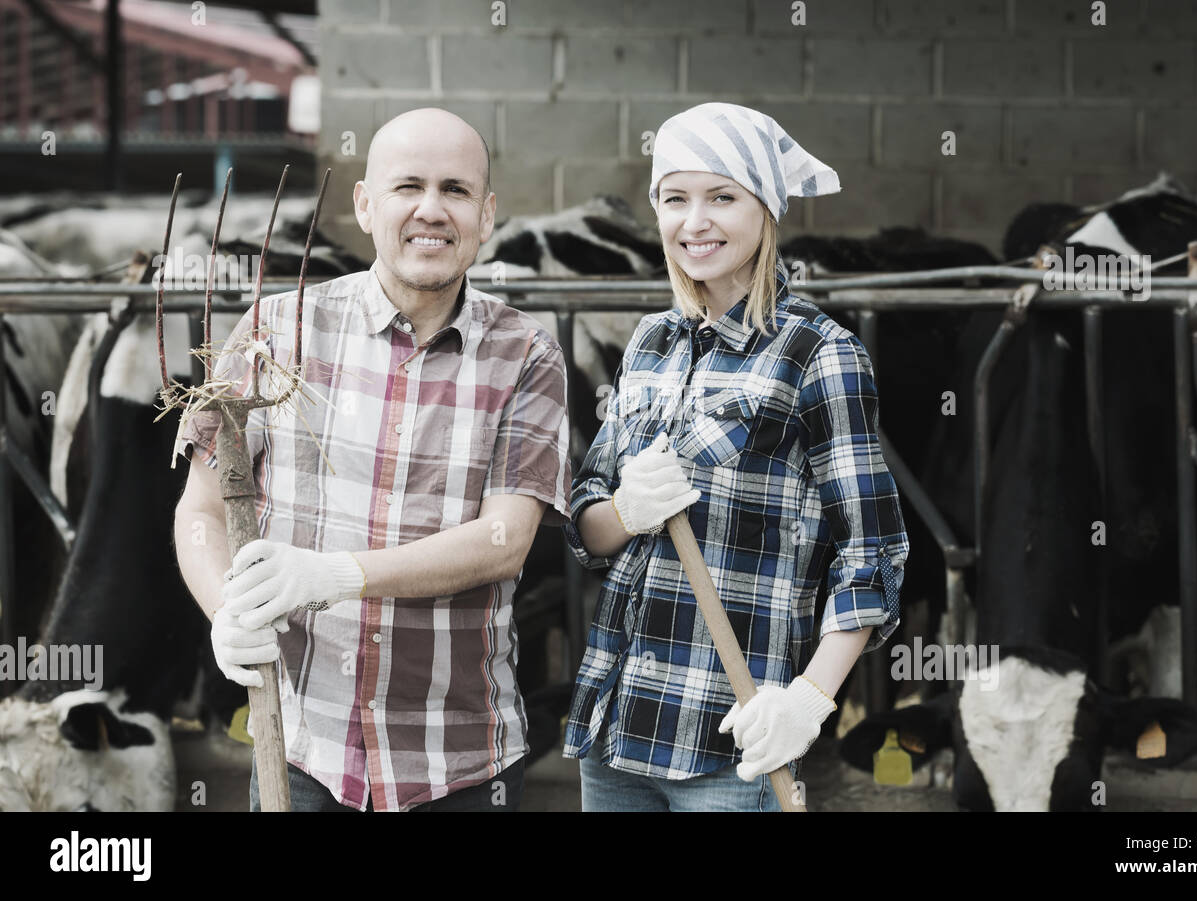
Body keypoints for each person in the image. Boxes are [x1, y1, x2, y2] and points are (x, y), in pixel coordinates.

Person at [173, 108, 572, 812]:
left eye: (454, 190)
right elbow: (202, 507)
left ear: (485, 215)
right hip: (301, 745)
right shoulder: (275, 330)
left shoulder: (526, 354)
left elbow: (503, 542)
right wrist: (223, 610)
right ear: (364, 205)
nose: (430, 209)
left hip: (462, 766)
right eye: (407, 186)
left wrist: (335, 574)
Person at [562, 102, 909, 811]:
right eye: (676, 198)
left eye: (723, 197)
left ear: (766, 210)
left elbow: (872, 551)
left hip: (733, 740)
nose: (697, 222)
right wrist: (624, 510)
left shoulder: (820, 353)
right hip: (617, 727)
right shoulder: (650, 343)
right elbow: (586, 523)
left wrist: (808, 700)